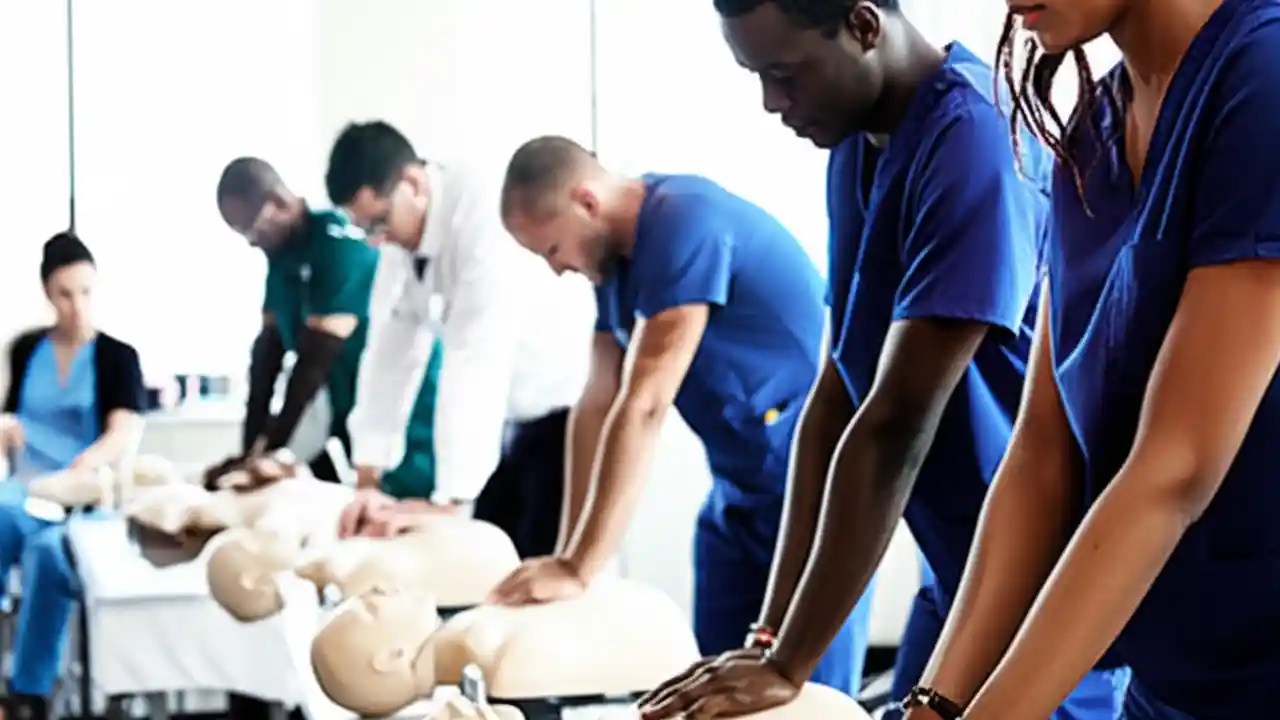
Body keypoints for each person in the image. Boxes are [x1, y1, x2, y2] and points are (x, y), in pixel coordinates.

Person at [636, 2, 1131, 719]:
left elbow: (896, 420)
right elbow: (838, 390)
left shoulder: (973, 140)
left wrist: (787, 663)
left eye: (785, 74)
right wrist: (769, 634)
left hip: (1040, 573)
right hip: (959, 565)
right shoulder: (859, 145)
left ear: (865, 27)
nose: (774, 103)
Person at [900, 0, 1280, 718]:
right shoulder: (1094, 130)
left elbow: (1176, 468)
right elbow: (1042, 452)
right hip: (1173, 685)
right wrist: (934, 705)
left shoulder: (1264, 78)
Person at [488, 136, 874, 696]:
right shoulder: (611, 268)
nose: (557, 269)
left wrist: (579, 568)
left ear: (586, 202)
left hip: (813, 489)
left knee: (806, 697)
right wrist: (564, 558)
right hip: (738, 491)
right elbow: (597, 404)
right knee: (708, 690)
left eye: (551, 250)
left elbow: (644, 404)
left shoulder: (683, 220)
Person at [324, 121, 594, 557]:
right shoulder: (398, 243)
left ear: (412, 183)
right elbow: (387, 358)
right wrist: (367, 480)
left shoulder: (481, 211)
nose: (376, 241)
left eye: (379, 221)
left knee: (542, 576)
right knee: (490, 570)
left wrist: (450, 501)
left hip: (565, 414)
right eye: (364, 230)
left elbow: (475, 358)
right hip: (507, 423)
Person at [210, 156, 443, 498]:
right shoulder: (280, 259)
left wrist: (270, 451)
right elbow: (266, 361)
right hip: (351, 415)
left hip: (407, 414)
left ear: (279, 202)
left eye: (254, 229)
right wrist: (249, 453)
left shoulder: (335, 240)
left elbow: (311, 366)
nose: (252, 242)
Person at [0, 232, 145, 720]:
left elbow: (122, 431)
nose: (78, 306)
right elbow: (11, 418)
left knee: (48, 556)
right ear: (47, 293)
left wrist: (85, 467)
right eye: (65, 294)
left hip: (85, 500)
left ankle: (28, 695)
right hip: (24, 497)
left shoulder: (117, 357)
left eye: (86, 292)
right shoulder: (24, 351)